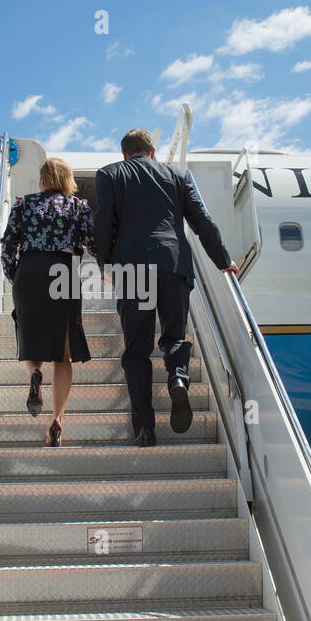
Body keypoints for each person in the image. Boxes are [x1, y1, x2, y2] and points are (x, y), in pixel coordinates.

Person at [94, 129, 238, 446]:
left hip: (131, 267)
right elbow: (202, 220)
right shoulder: (178, 177)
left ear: (124, 154)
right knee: (173, 335)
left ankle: (145, 427)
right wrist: (223, 259)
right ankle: (178, 377)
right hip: (174, 264)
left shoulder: (109, 174)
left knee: (137, 351)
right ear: (152, 152)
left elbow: (104, 221)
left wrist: (104, 264)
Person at [0, 157, 96, 447]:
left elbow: (8, 246)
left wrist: (14, 276)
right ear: (67, 180)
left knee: (30, 340)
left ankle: (36, 374)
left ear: (42, 180)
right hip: (63, 271)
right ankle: (57, 420)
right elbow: (93, 243)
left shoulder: (22, 204)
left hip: (29, 270)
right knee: (63, 355)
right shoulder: (78, 206)